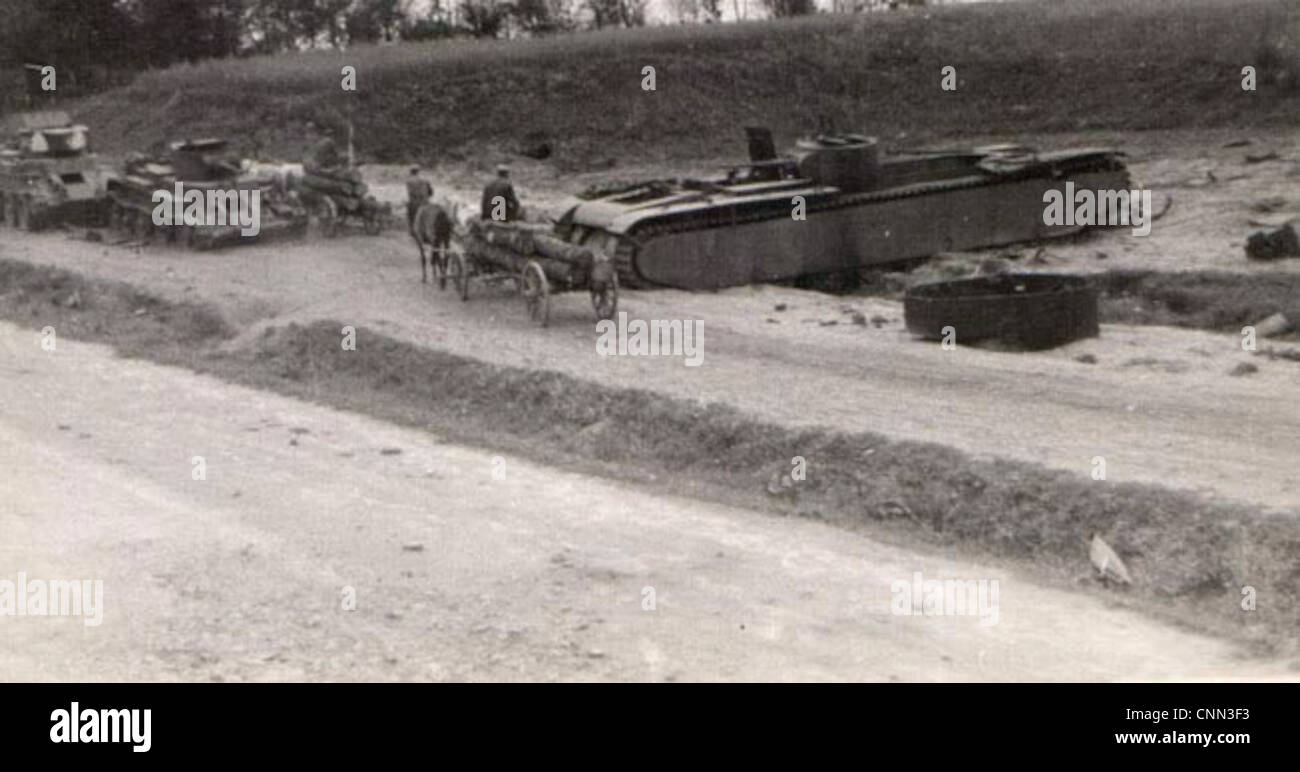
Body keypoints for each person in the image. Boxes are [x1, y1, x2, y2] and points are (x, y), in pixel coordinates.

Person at [405, 166, 433, 233]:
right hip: (425, 202)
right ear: (418, 172)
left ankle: (412, 230)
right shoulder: (426, 180)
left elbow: (410, 193)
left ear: (411, 172)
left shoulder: (409, 181)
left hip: (414, 202)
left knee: (411, 215)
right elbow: (431, 192)